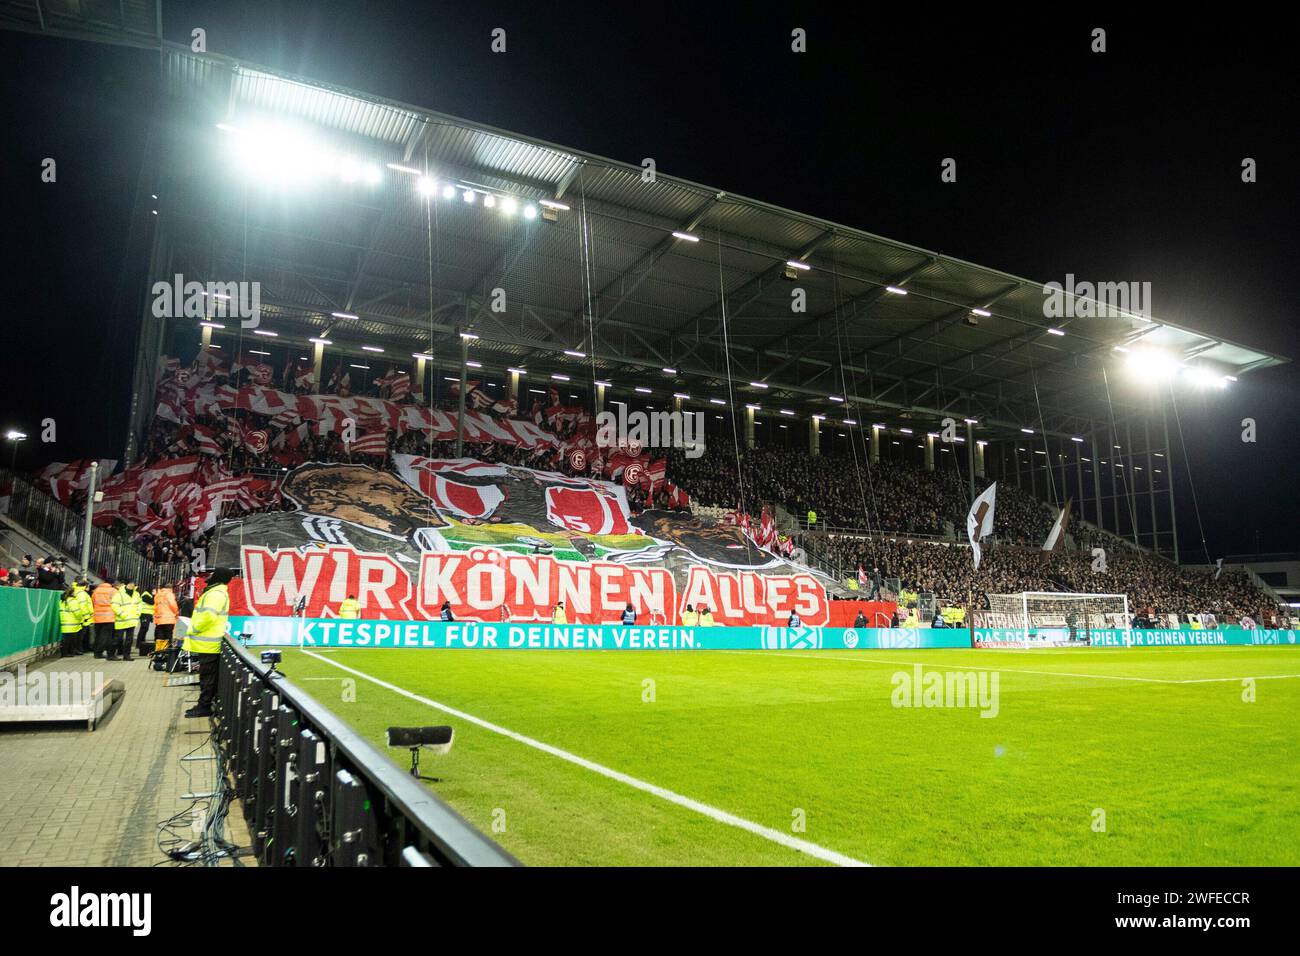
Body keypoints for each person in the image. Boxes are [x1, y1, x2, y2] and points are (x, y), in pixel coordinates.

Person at [184, 568, 233, 718]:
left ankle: (204, 706)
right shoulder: (216, 592)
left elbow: (208, 616)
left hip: (208, 643)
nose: (209, 576)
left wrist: (195, 628)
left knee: (207, 678)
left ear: (218, 576)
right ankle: (205, 704)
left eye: (213, 573)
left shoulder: (215, 594)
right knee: (208, 677)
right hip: (208, 642)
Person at [153, 582, 179, 669]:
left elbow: (155, 607)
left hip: (159, 620)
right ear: (171, 588)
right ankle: (167, 658)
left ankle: (159, 657)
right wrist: (176, 613)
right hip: (169, 619)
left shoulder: (158, 595)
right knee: (168, 639)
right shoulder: (169, 594)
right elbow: (173, 605)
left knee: (160, 640)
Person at [111, 579, 138, 661]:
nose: (133, 585)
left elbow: (139, 604)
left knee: (129, 640)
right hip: (122, 620)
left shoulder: (136, 594)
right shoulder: (119, 594)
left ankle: (126, 656)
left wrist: (138, 612)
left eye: (133, 584)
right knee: (118, 639)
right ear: (127, 584)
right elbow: (114, 606)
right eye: (131, 583)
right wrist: (122, 614)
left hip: (131, 620)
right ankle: (111, 655)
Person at [90, 578, 117, 659]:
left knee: (98, 635)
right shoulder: (113, 591)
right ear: (112, 583)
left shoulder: (96, 590)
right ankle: (107, 653)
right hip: (109, 617)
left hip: (97, 616)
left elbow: (92, 602)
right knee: (107, 637)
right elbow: (116, 603)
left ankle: (97, 653)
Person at [58, 587, 82, 658]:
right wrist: (81, 618)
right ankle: (67, 652)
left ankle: (64, 652)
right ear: (72, 593)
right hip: (72, 623)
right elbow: (77, 612)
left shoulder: (62, 601)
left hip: (65, 623)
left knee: (66, 639)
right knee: (71, 639)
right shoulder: (73, 601)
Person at [72, 578, 93, 654]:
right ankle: (78, 649)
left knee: (79, 635)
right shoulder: (82, 594)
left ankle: (78, 649)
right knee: (80, 635)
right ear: (85, 586)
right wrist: (87, 616)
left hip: (79, 616)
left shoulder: (76, 591)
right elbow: (83, 606)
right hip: (83, 618)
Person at [136, 586, 154, 658]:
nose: (153, 591)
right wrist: (154, 596)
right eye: (153, 590)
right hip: (144, 614)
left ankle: (142, 642)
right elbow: (152, 602)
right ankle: (139, 643)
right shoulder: (145, 595)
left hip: (148, 614)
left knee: (145, 629)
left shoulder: (149, 595)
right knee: (143, 629)